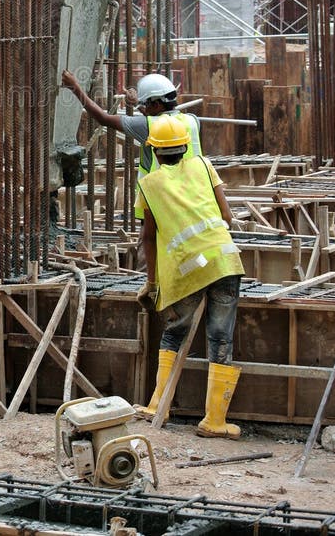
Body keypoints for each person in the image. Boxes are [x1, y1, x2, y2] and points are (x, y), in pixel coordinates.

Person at [133, 114, 244, 439]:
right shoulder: (204, 165)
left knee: (174, 334)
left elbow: (148, 238)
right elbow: (226, 215)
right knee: (220, 338)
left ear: (154, 151)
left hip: (187, 269)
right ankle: (215, 422)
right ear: (185, 147)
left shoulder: (148, 184)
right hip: (224, 259)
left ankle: (158, 407)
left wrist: (152, 284)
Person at [61, 70, 201, 238]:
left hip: (159, 205)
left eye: (146, 104)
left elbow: (103, 118)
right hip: (192, 202)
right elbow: (156, 119)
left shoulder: (148, 126)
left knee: (151, 254)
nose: (144, 108)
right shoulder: (192, 121)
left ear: (157, 105)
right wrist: (138, 104)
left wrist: (75, 87)